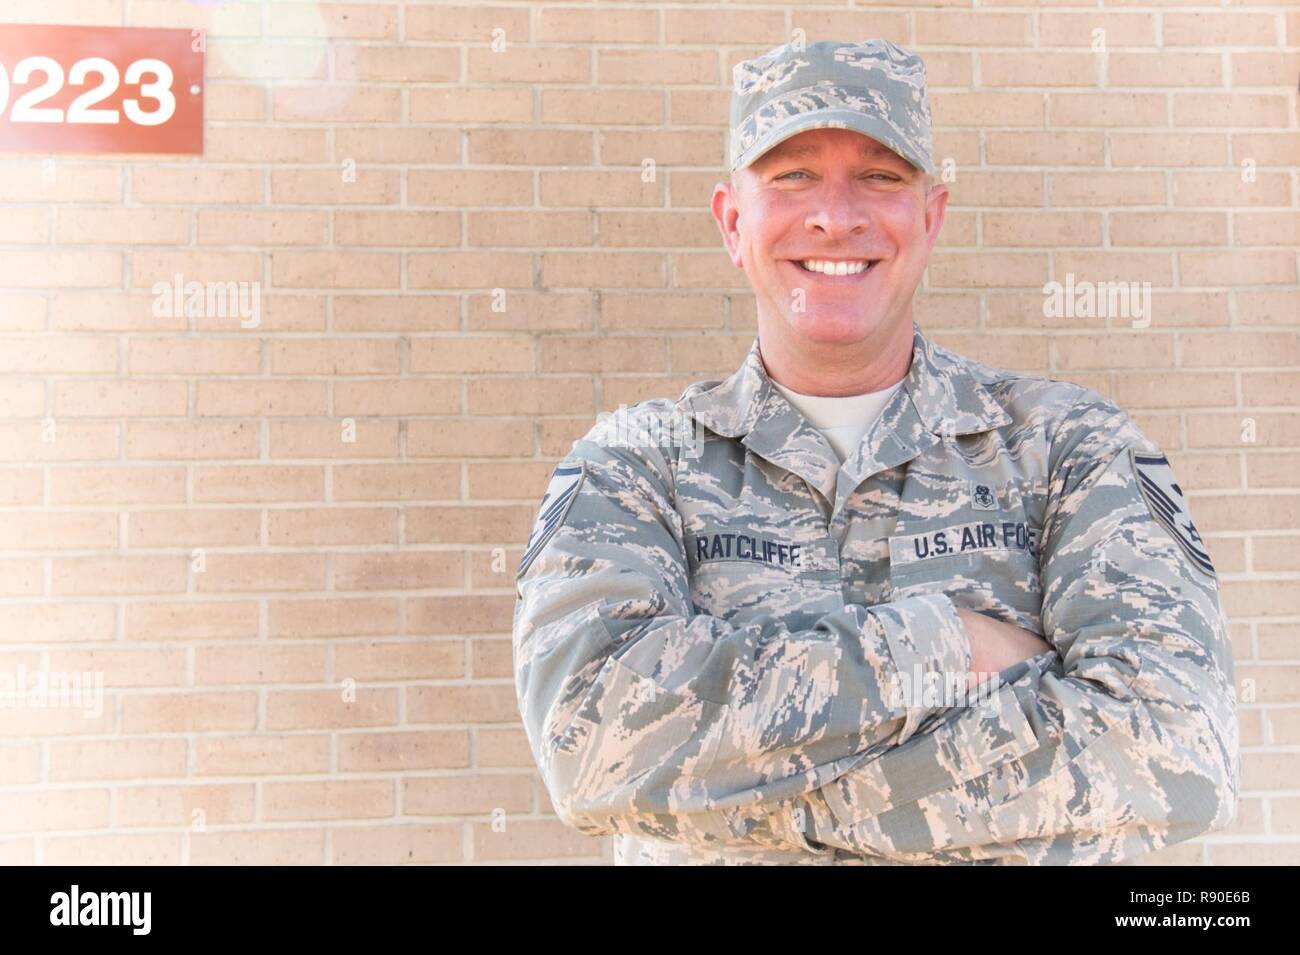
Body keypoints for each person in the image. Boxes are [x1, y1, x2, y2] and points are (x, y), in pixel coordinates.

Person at [511, 38, 1240, 865]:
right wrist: (948, 648)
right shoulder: (637, 465)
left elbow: (1178, 755)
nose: (836, 215)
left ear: (931, 217)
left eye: (882, 176)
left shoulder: (1070, 450)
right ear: (731, 221)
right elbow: (593, 744)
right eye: (791, 175)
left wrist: (739, 792)